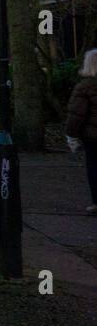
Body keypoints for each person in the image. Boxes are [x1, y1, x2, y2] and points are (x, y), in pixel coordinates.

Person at [63, 48, 97, 216]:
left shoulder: (85, 87)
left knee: (94, 166)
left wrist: (71, 134)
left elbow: (77, 114)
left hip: (93, 136)